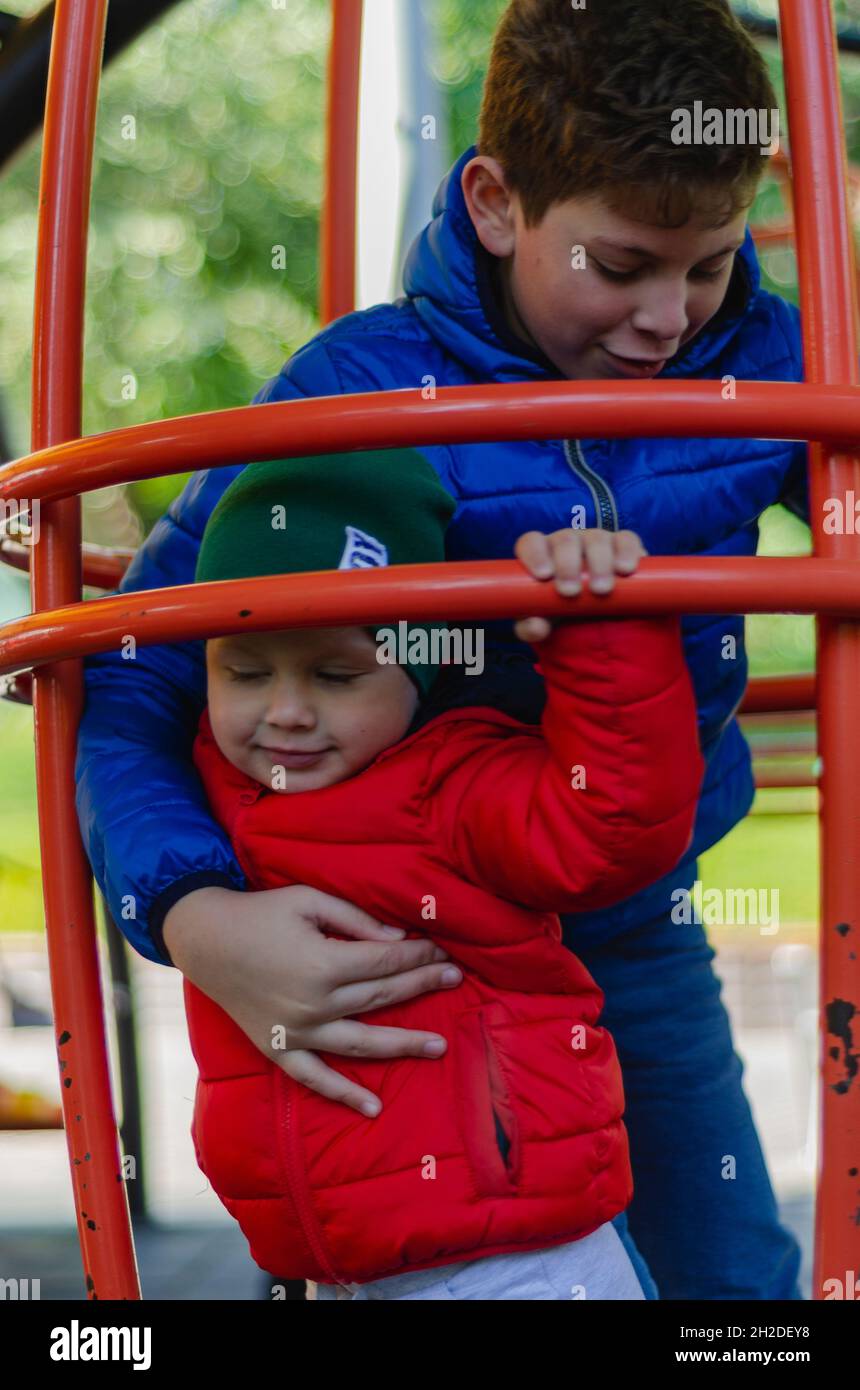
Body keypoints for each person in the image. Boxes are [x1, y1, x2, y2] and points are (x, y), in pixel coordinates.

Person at [75, 0, 808, 1298]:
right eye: (620, 265)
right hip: (400, 926)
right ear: (495, 202)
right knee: (423, 1247)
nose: (669, 317)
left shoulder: (769, 359)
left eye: (708, 264)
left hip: (628, 914)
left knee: (731, 1282)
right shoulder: (359, 392)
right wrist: (193, 912)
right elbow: (139, 668)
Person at [181, 445, 702, 1298]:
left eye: (337, 674)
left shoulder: (449, 785)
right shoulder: (210, 784)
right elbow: (116, 742)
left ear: (420, 670)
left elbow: (613, 829)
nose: (286, 711)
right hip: (339, 1267)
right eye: (243, 671)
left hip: (512, 1264)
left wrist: (603, 635)